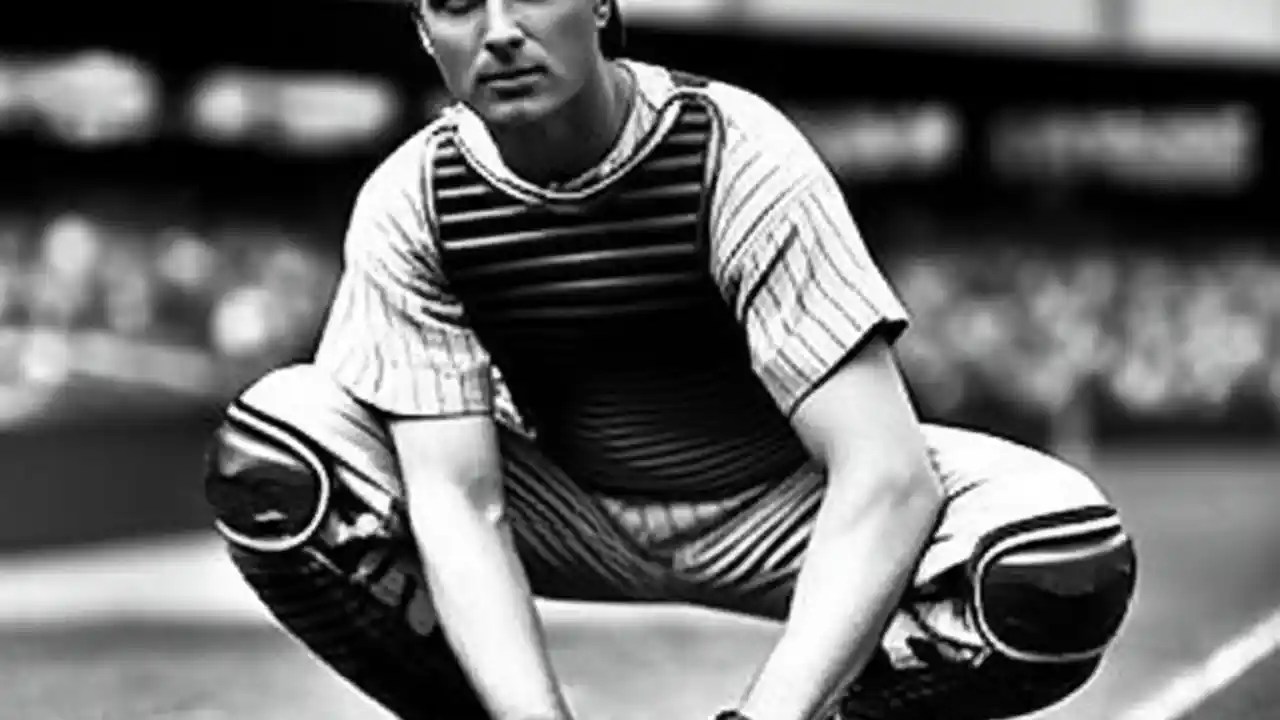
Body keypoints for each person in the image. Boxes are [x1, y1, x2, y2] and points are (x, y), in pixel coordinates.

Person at [203, 1, 1138, 718]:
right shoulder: (412, 199)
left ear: (602, 4)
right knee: (276, 452)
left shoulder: (736, 153)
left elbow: (884, 476)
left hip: (784, 509)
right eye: (456, 4)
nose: (498, 33)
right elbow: (461, 499)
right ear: (423, 32)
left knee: (1062, 560)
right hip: (564, 505)